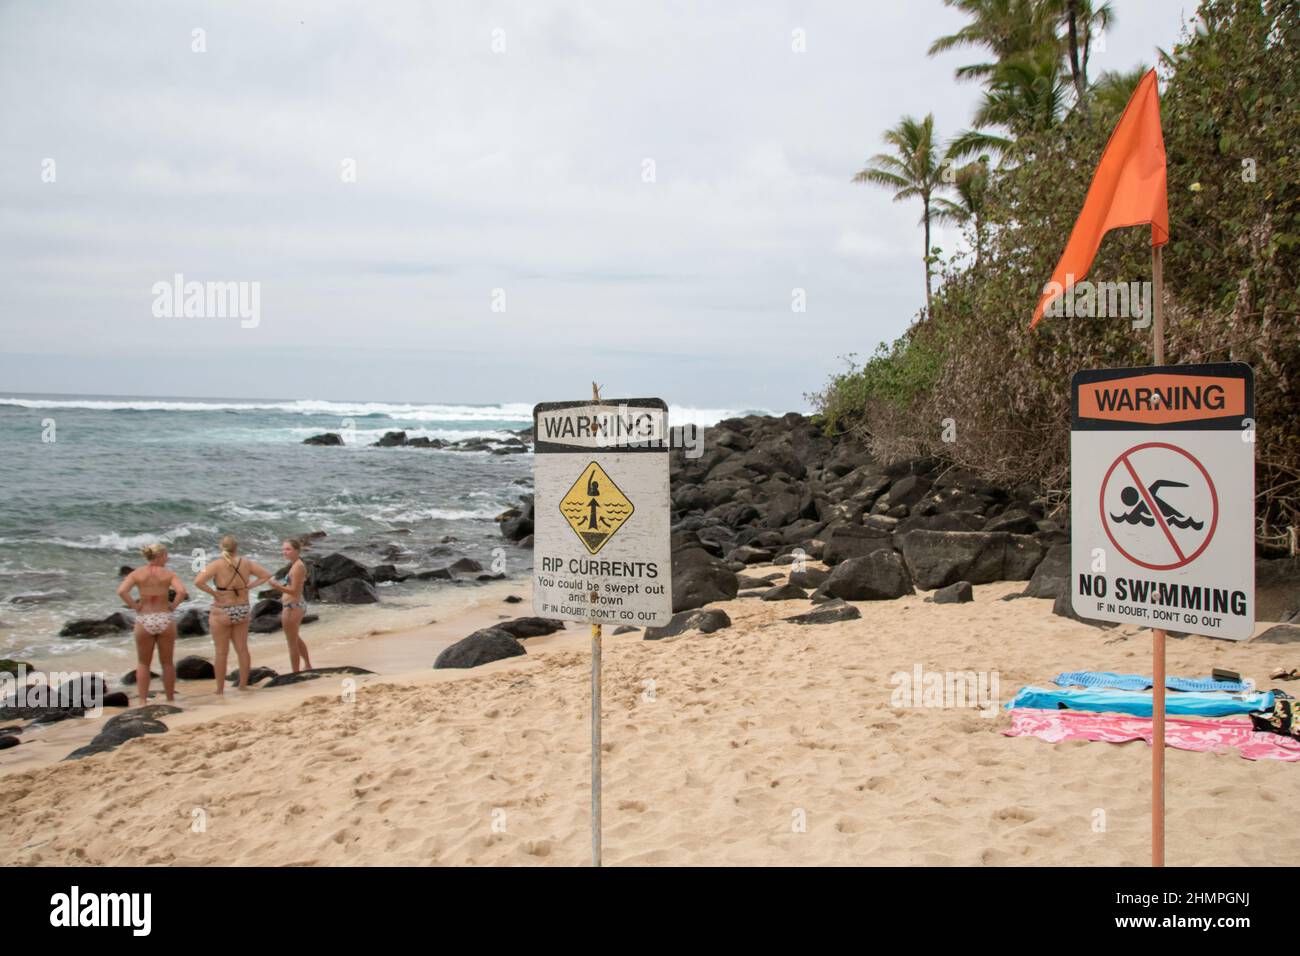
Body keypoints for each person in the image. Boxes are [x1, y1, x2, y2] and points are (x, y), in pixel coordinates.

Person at [194, 535, 273, 695]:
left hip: (222, 609)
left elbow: (198, 581)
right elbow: (266, 575)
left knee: (221, 652)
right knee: (242, 650)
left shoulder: (217, 564)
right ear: (236, 547)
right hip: (242, 608)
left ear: (221, 547)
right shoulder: (246, 563)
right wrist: (249, 586)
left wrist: (214, 593)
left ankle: (220, 689)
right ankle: (243, 685)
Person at [116, 544, 187, 705]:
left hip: (145, 618)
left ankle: (142, 700)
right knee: (167, 663)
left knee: (143, 663)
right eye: (166, 555)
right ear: (160, 555)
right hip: (164, 617)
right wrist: (173, 606)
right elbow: (182, 591)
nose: (167, 558)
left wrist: (135, 606)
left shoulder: (137, 574)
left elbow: (121, 591)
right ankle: (170, 698)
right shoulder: (168, 574)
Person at [266, 538, 313, 673]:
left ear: (297, 551)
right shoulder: (295, 565)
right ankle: (307, 665)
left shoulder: (298, 567)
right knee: (295, 638)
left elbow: (294, 591)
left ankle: (295, 672)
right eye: (283, 549)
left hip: (293, 606)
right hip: (294, 605)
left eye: (288, 549)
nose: (284, 552)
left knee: (291, 643)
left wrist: (277, 586)